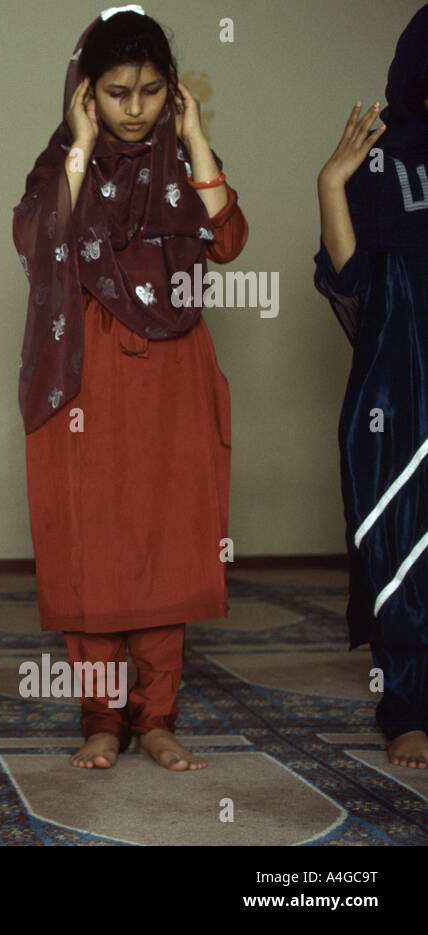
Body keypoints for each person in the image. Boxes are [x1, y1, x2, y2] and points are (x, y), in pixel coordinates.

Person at [13, 8, 248, 771]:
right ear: (86, 93)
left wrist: (200, 138)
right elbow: (40, 237)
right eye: (116, 92)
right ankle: (102, 720)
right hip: (89, 371)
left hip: (173, 369)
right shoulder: (61, 162)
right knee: (94, 540)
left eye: (151, 91)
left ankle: (157, 717)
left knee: (168, 538)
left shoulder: (180, 161)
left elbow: (231, 238)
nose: (136, 107)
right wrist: (80, 144)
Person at [314, 5, 428, 769]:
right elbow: (349, 275)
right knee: (404, 548)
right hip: (402, 387)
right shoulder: (390, 157)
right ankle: (409, 707)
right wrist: (331, 180)